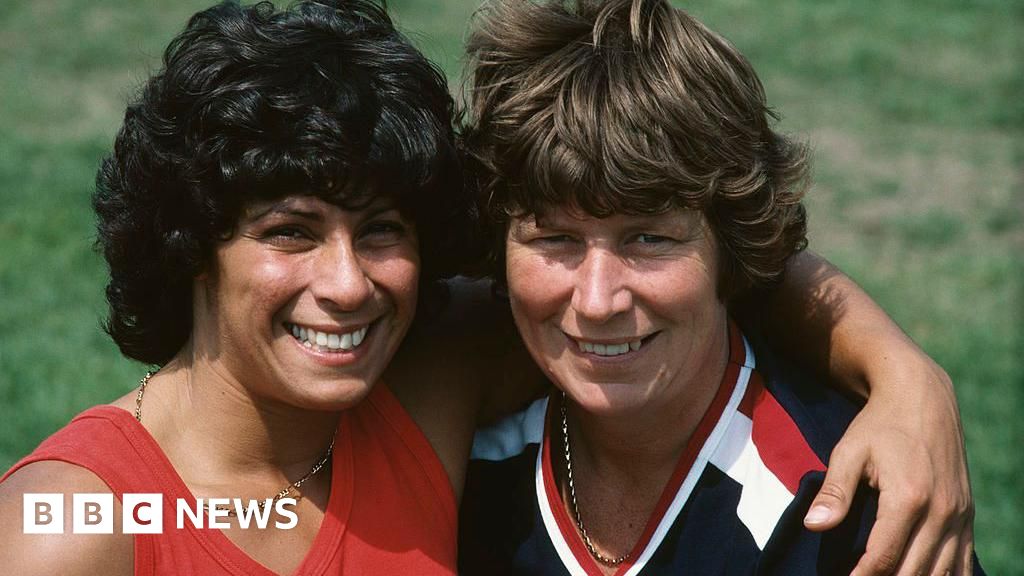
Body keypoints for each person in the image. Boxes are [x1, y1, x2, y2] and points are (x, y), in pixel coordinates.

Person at [0, 1, 973, 575]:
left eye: (381, 231)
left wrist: (904, 378)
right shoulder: (75, 525)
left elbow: (710, 257)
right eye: (289, 232)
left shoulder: (430, 381)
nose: (346, 284)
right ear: (188, 244)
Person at [457, 0, 982, 574]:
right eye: (555, 239)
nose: (597, 301)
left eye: (649, 239)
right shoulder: (457, 450)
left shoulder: (848, 514)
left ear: (731, 249)